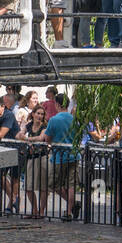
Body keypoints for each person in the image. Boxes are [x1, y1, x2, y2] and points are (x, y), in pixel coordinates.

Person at [45, 93, 80, 221]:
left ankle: (72, 205)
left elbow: (47, 139)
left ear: (57, 104)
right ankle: (69, 211)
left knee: (54, 184)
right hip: (74, 155)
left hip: (59, 156)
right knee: (71, 185)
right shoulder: (74, 119)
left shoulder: (54, 120)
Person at [0, 91, 21, 215]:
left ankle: (10, 204)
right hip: (4, 149)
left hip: (16, 149)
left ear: (3, 107)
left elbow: (1, 133)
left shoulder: (9, 115)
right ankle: (13, 198)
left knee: (14, 179)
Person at [19, 102, 51, 218]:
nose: (40, 116)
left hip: (42, 157)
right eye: (38, 113)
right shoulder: (28, 125)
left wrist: (27, 138)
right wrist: (25, 137)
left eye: (42, 114)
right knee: (28, 186)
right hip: (30, 158)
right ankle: (35, 210)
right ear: (33, 114)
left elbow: (41, 138)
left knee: (43, 187)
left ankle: (41, 211)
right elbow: (19, 135)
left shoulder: (44, 126)